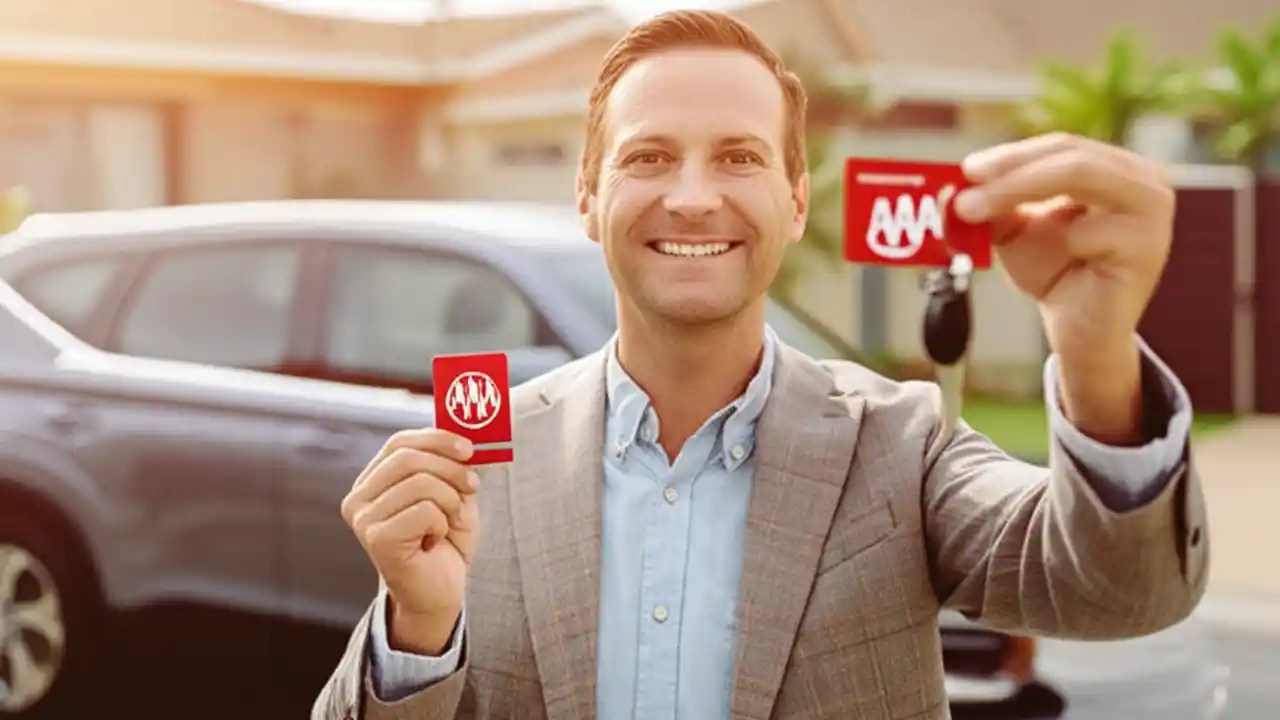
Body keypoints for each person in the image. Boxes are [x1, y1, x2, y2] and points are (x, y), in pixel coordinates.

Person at [313, 9, 1207, 720]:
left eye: (738, 157)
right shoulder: (482, 462)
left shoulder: (903, 442)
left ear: (793, 198)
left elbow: (1119, 593)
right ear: (589, 197)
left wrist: (1092, 351)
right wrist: (419, 633)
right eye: (650, 157)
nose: (693, 197)